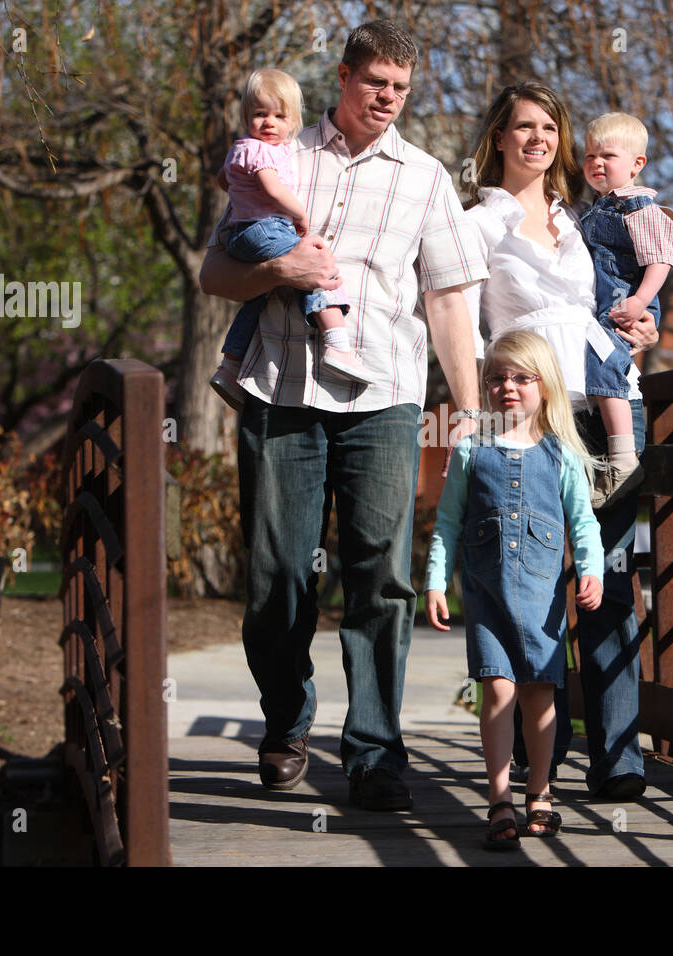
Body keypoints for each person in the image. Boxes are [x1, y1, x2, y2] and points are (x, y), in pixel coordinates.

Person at [198, 20, 487, 811]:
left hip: (385, 398)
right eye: (374, 84)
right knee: (277, 578)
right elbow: (213, 274)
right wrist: (279, 269)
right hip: (281, 391)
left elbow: (451, 303)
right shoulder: (281, 156)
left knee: (382, 576)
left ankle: (374, 752)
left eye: (400, 88)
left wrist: (469, 412)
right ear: (345, 76)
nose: (387, 99)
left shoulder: (427, 177)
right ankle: (286, 722)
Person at [458, 82, 658, 799]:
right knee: (534, 579)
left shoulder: (582, 219)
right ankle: (549, 746)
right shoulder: (477, 224)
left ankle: (620, 757)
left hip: (610, 406)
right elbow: (464, 328)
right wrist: (475, 414)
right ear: (500, 138)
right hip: (531, 419)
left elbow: (619, 300)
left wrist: (646, 326)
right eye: (523, 127)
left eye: (549, 127)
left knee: (608, 579)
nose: (538, 139)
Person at [425, 330, 603, 848]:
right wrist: (435, 581)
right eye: (497, 377)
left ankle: (541, 791)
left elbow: (583, 522)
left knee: (540, 695)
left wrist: (590, 569)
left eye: (522, 377)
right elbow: (448, 522)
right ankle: (499, 797)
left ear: (545, 386)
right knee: (497, 692)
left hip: (543, 601)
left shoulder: (563, 454)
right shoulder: (469, 449)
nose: (508, 387)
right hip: (485, 598)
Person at [209, 68, 376, 412]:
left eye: (278, 115)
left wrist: (242, 196)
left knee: (259, 297)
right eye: (259, 114)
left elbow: (224, 180)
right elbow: (272, 188)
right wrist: (299, 214)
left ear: (293, 120)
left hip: (244, 230)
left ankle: (229, 367)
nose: (269, 122)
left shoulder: (242, 149)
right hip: (264, 227)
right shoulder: (260, 151)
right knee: (317, 266)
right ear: (246, 117)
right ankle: (336, 343)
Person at [579, 112, 673, 506]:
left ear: (637, 164)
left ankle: (623, 459)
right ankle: (616, 458)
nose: (596, 164)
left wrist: (640, 301)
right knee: (601, 364)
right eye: (589, 156)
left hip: (625, 301)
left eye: (607, 155)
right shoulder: (598, 206)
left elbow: (659, 259)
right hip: (612, 303)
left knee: (604, 364)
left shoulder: (638, 207)